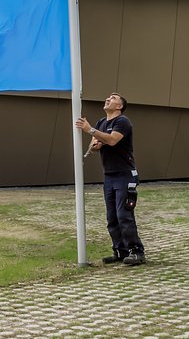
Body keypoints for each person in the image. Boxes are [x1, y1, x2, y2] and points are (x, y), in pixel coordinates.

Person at [75, 92, 146, 266]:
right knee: (112, 216)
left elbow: (113, 140)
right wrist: (96, 142)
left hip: (125, 174)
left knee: (124, 214)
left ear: (119, 106)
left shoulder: (122, 121)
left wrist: (91, 130)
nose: (108, 99)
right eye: (108, 97)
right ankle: (120, 251)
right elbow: (94, 147)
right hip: (110, 176)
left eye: (113, 98)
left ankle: (136, 252)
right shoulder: (101, 122)